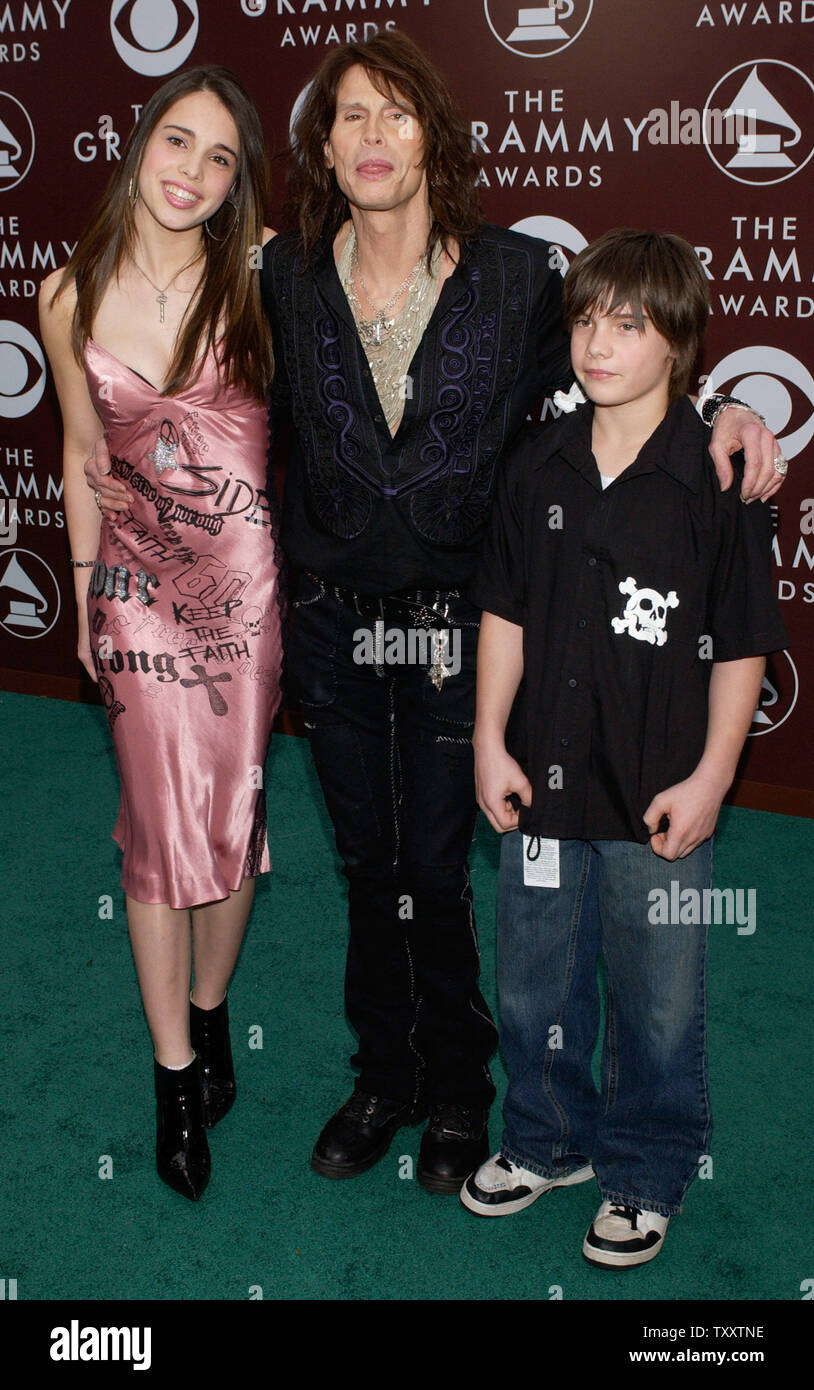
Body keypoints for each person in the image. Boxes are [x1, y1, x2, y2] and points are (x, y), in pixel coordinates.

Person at [87, 32, 784, 1197]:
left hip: (467, 625)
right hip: (332, 622)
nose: (371, 136)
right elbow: (151, 327)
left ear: (433, 142)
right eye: (350, 115)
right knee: (369, 862)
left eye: (396, 115)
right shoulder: (279, 274)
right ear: (323, 144)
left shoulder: (516, 279)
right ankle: (384, 1079)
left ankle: (461, 1092)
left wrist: (728, 414)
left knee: (438, 858)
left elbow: (625, 340)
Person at [464, 229, 788, 1266]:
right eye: (587, 319)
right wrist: (485, 737)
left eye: (630, 325)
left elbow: (741, 644)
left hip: (659, 792)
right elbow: (505, 612)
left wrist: (713, 777)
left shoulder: (715, 478)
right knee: (531, 974)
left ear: (680, 343)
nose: (599, 343)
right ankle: (547, 1137)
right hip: (540, 786)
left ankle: (648, 1167)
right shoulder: (536, 462)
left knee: (657, 992)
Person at [39, 67, 284, 1202]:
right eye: (177, 142)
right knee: (153, 827)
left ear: (236, 183)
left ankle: (210, 1007)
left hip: (242, 589)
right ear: (140, 146)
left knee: (231, 822)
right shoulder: (69, 294)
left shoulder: (264, 274)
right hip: (135, 586)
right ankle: (175, 1080)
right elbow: (85, 453)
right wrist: (90, 593)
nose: (191, 171)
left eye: (219, 156)